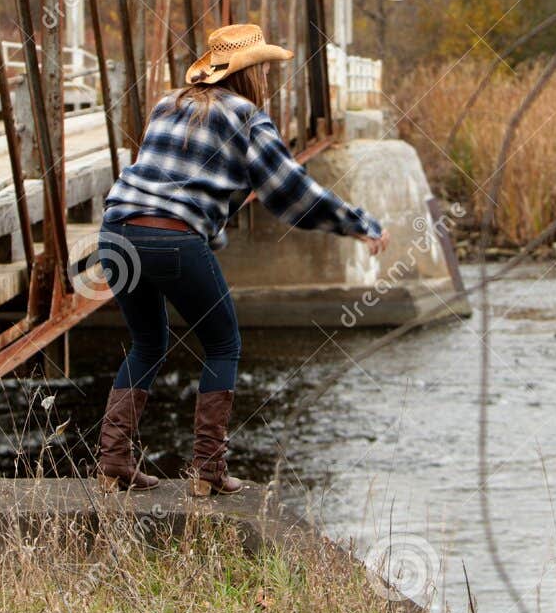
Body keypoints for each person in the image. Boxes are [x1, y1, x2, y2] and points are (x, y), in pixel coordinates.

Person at [95, 24, 388, 495]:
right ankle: (208, 470)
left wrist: (209, 235)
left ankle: (113, 463)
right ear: (250, 75)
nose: (268, 80)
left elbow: (183, 181)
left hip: (116, 234)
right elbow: (293, 193)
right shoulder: (248, 118)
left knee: (147, 342)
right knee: (223, 344)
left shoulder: (166, 104)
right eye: (264, 71)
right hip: (172, 240)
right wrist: (359, 225)